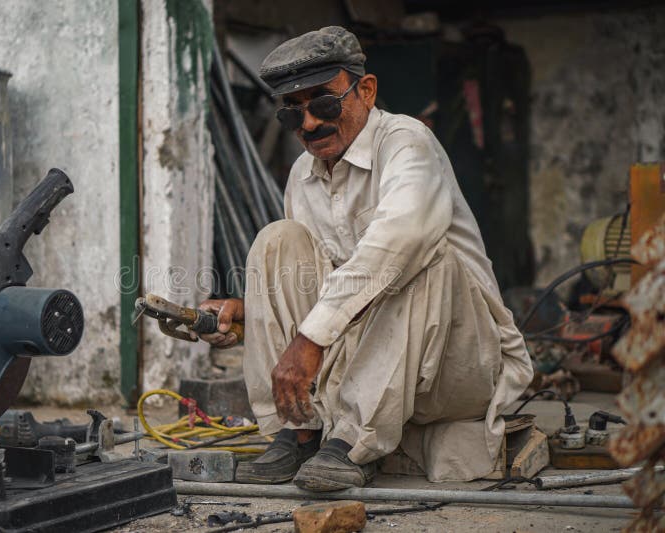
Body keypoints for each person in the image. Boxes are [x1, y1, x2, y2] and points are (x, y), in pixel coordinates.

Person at [198, 26, 533, 491]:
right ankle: (300, 432)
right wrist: (246, 311)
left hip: (459, 365)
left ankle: (350, 444)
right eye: (293, 114)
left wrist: (311, 340)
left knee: (412, 258)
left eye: (325, 103)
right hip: (371, 364)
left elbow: (395, 248)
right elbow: (323, 283)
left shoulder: (407, 143)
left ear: (366, 90)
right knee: (277, 241)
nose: (310, 124)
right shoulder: (303, 174)